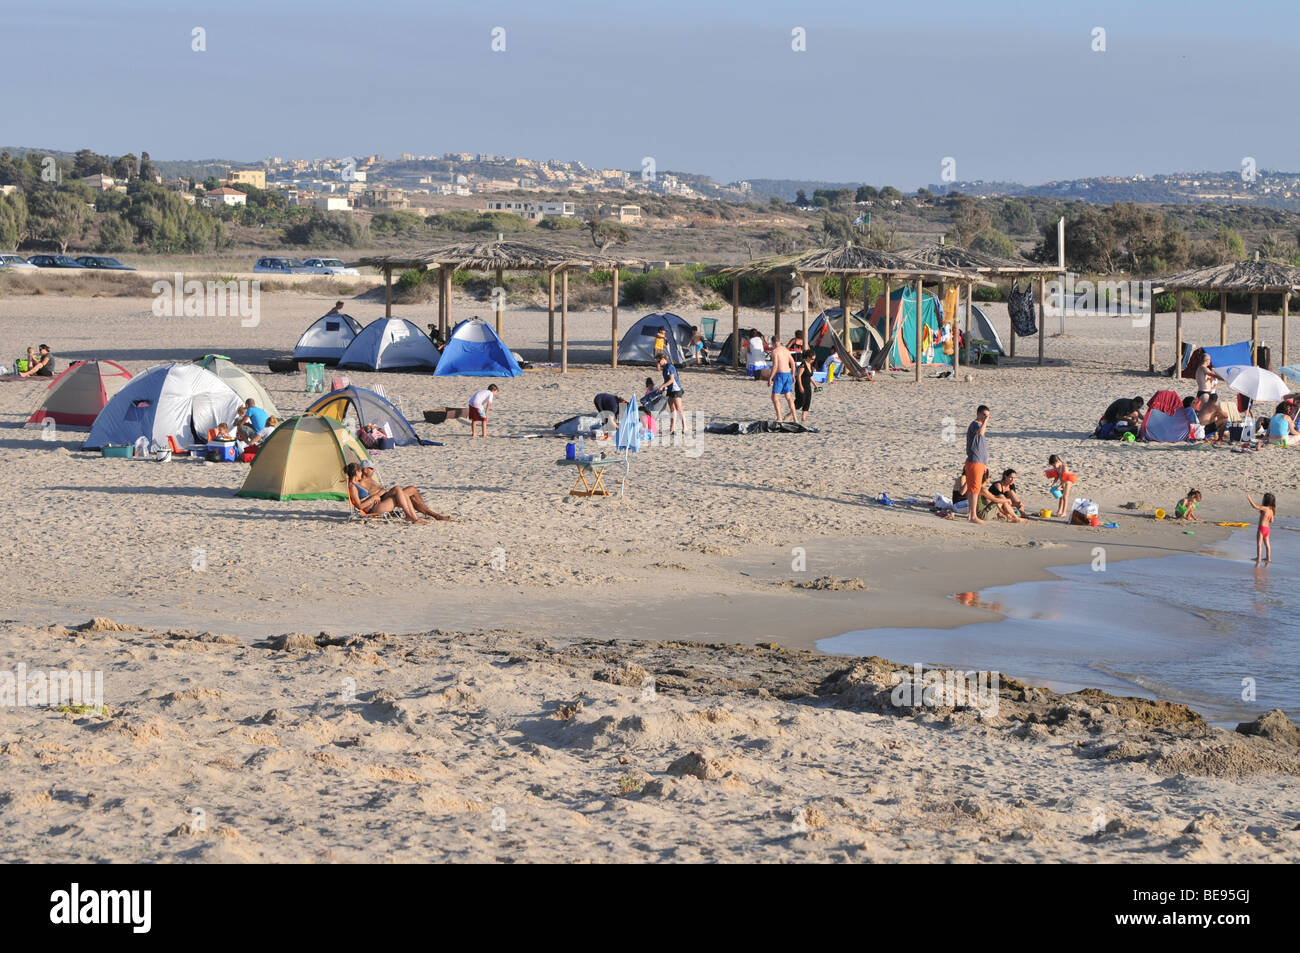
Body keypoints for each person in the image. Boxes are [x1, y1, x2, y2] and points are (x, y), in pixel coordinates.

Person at [358, 462, 452, 521]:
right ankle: (428, 515)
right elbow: (366, 498)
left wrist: (382, 491)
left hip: (385, 496)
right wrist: (378, 494)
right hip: (381, 502)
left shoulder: (370, 479)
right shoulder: (362, 483)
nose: (373, 470)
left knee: (412, 489)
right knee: (397, 488)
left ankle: (428, 512)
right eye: (371, 468)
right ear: (365, 470)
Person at [345, 462, 427, 524]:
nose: (361, 474)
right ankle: (411, 516)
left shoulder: (357, 484)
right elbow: (359, 506)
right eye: (360, 472)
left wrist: (374, 496)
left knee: (399, 490)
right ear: (356, 472)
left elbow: (365, 497)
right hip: (373, 509)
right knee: (400, 491)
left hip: (376, 504)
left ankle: (413, 517)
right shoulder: (353, 487)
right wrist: (373, 498)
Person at [965, 405, 991, 524]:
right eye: (985, 415)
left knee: (972, 489)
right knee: (974, 489)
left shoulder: (979, 425)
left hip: (978, 461)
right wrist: (985, 421)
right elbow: (980, 433)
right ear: (979, 414)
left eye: (988, 415)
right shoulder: (976, 424)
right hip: (975, 461)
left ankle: (971, 515)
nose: (987, 417)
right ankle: (973, 516)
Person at [653, 353, 685, 435]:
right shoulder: (665, 368)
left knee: (679, 409)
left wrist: (662, 386)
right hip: (670, 390)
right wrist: (663, 388)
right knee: (672, 409)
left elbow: (671, 380)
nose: (658, 363)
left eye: (659, 361)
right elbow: (666, 381)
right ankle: (672, 428)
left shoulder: (670, 367)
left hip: (676, 389)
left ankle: (684, 426)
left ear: (664, 359)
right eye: (657, 362)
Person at [769, 337, 797, 422]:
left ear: (773, 343)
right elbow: (792, 362)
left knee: (775, 397)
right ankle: (795, 418)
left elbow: (775, 366)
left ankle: (779, 418)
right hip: (788, 374)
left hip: (780, 375)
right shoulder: (785, 350)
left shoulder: (775, 352)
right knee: (788, 397)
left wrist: (770, 378)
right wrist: (792, 374)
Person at [1246, 491, 1275, 564]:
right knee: (1267, 545)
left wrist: (1249, 498)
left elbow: (1255, 506)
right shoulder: (1271, 510)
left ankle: (1258, 558)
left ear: (1265, 500)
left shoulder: (1264, 508)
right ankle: (1268, 558)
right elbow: (1272, 520)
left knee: (1259, 544)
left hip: (1261, 528)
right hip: (1267, 529)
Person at [1046, 454, 1077, 518]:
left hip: (1067, 482)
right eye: (1053, 466)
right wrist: (1054, 483)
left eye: (1054, 465)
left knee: (1065, 497)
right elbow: (1057, 476)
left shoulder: (1064, 467)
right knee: (1060, 496)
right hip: (1062, 482)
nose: (1054, 467)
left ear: (1058, 461)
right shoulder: (1057, 467)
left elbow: (1065, 478)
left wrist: (1060, 486)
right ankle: (1059, 511)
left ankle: (1064, 512)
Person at [794, 347, 816, 423]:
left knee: (807, 402)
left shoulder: (810, 365)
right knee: (800, 402)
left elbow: (810, 376)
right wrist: (800, 386)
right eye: (812, 359)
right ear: (807, 357)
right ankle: (790, 414)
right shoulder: (803, 365)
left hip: (807, 386)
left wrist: (816, 385)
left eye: (814, 359)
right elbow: (799, 376)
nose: (813, 360)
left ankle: (803, 418)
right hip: (801, 384)